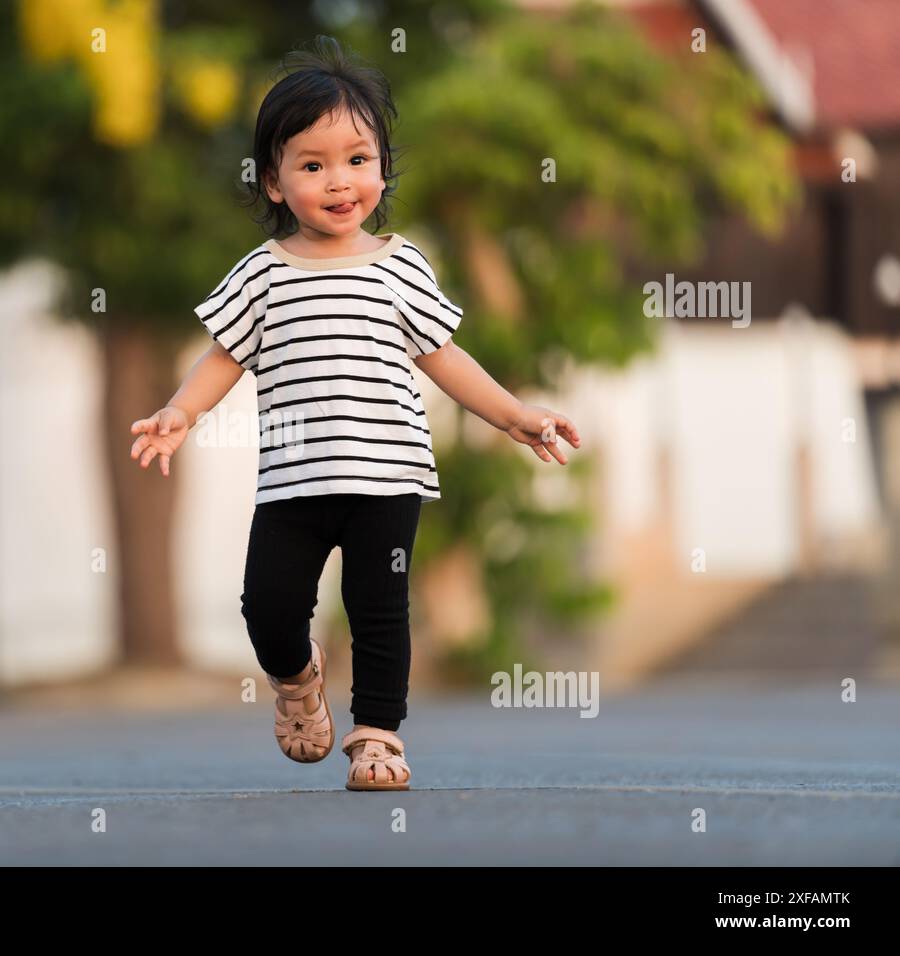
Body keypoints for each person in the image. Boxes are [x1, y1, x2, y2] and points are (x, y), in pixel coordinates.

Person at [129, 36, 580, 790]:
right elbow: (223, 357)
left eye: (357, 160)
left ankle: (377, 737)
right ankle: (298, 677)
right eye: (312, 165)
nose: (339, 182)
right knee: (267, 606)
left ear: (382, 167)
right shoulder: (263, 274)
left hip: (387, 477)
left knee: (380, 612)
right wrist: (181, 412)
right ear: (273, 183)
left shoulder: (402, 264)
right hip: (293, 484)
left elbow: (444, 356)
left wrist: (514, 415)